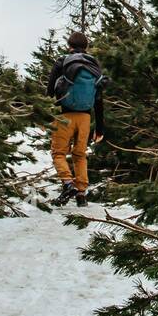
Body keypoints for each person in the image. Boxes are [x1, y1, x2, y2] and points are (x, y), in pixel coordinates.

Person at [46, 30, 106, 208]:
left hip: (65, 115)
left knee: (58, 153)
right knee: (80, 155)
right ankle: (81, 194)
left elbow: (49, 89)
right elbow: (99, 97)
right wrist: (100, 128)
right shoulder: (94, 65)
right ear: (86, 47)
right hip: (85, 117)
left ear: (69, 46)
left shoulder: (63, 60)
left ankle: (67, 183)